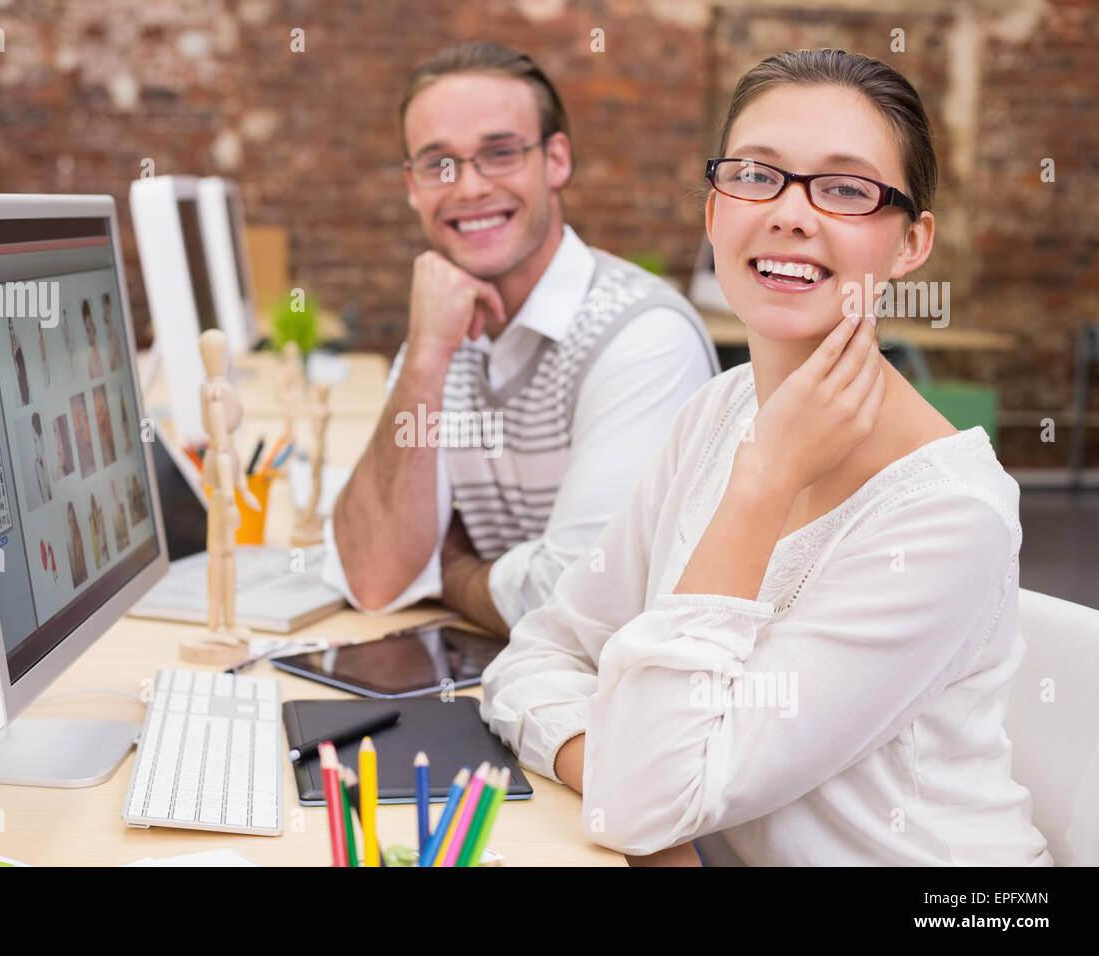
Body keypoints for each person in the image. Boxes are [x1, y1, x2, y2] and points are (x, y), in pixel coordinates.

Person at [481, 49, 1052, 867]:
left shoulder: (948, 514)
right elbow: (541, 653)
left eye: (846, 190)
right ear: (715, 212)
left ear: (910, 245)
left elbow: (643, 804)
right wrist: (611, 769)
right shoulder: (719, 408)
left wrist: (763, 480)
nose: (790, 213)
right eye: (756, 175)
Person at [324, 42, 718, 636]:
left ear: (556, 160)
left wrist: (451, 570)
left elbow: (581, 607)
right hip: (504, 685)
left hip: (617, 714)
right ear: (412, 186)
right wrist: (427, 356)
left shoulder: (642, 338)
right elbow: (377, 581)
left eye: (500, 153)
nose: (470, 187)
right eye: (439, 165)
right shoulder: (439, 336)